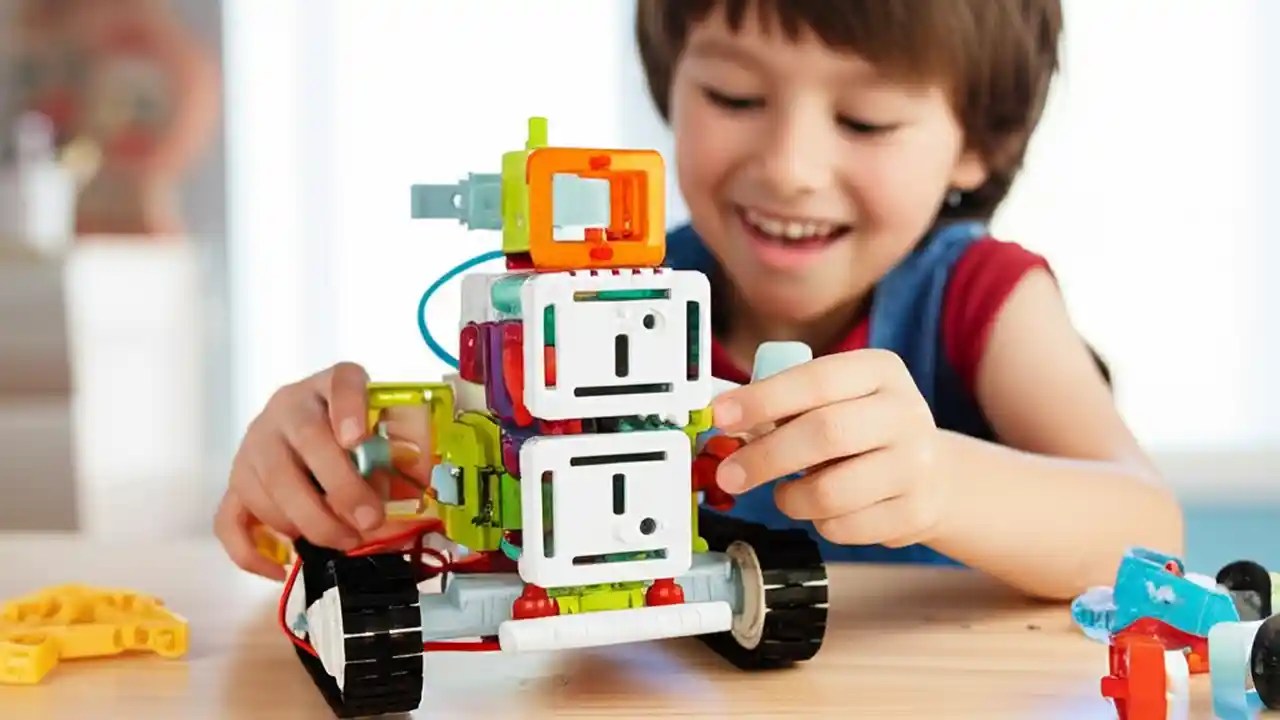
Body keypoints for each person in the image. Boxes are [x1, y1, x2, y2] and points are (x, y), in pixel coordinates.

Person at [215, 0, 1183, 601]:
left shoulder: (978, 299)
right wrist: (336, 459)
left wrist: (938, 481)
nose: (790, 167)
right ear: (669, 83)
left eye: (864, 118)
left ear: (976, 142)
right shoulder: (596, 301)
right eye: (731, 96)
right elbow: (464, 475)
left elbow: (1146, 530)